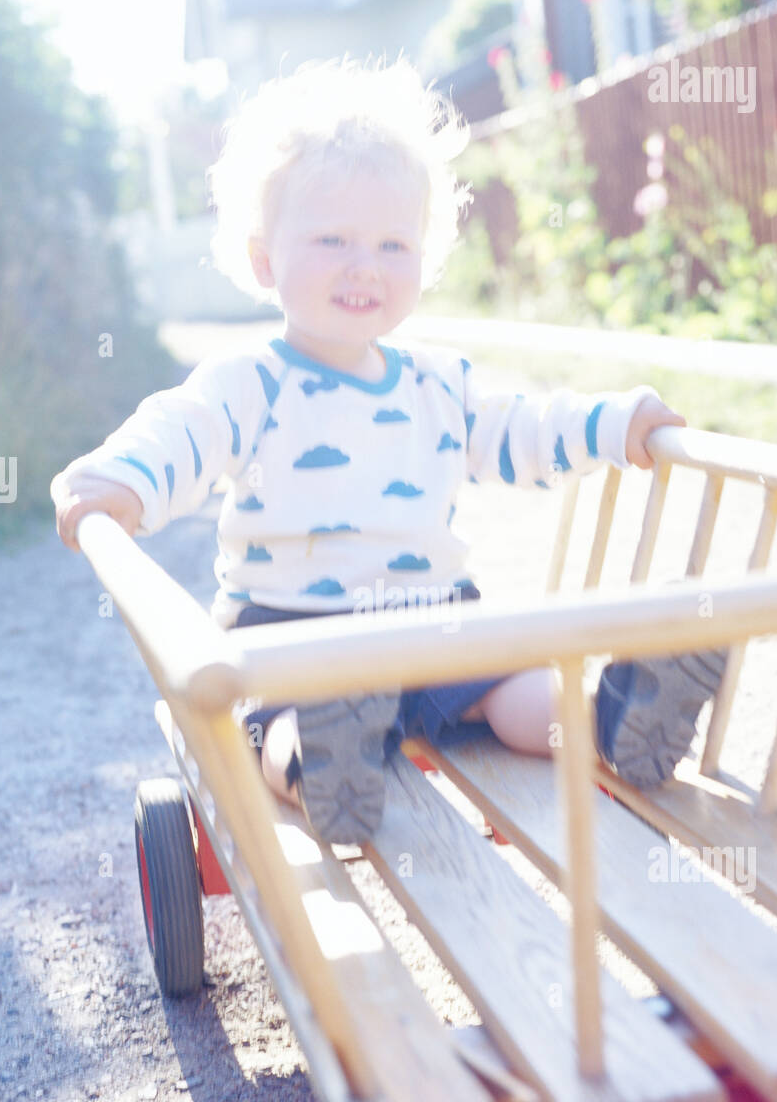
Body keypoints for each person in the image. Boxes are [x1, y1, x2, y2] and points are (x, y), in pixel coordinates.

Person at [52, 55, 723, 845]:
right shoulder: (249, 382)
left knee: (521, 698)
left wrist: (614, 423)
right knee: (283, 721)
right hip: (291, 634)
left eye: (392, 245)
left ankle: (617, 721)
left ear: (422, 260)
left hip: (432, 621)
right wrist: (122, 481)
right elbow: (181, 431)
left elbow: (521, 431)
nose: (364, 265)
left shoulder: (439, 383)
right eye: (332, 239)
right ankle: (324, 764)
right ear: (265, 258)